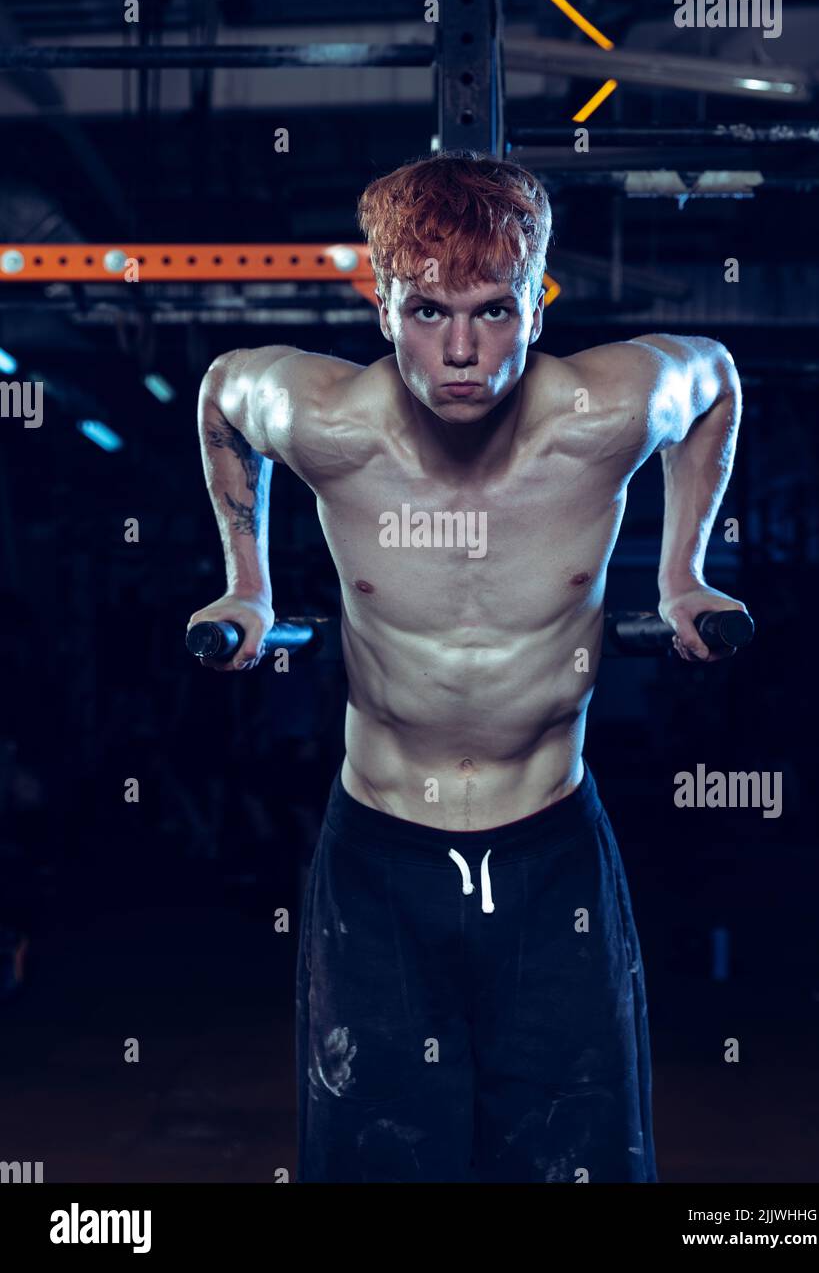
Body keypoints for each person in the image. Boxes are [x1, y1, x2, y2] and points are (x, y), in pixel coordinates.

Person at [188, 150, 746, 1183]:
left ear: (538, 305)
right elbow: (221, 393)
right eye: (428, 313)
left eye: (493, 310)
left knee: (581, 1162)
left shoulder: (607, 414)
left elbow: (715, 378)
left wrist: (681, 577)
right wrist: (249, 585)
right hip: (380, 862)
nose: (461, 352)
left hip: (552, 853)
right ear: (381, 308)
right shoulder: (329, 421)